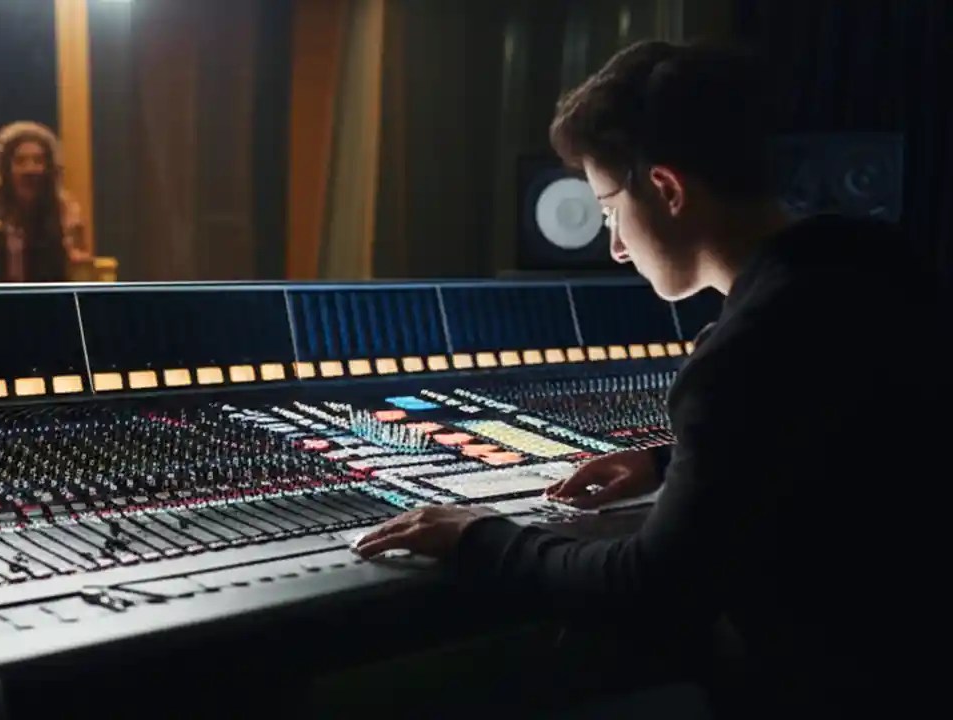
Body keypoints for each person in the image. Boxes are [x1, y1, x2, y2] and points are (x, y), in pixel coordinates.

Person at [355, 39, 944, 716]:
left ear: (665, 190)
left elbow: (649, 591)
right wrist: (668, 463)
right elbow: (839, 437)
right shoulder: (877, 265)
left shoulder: (743, 352)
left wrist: (478, 534)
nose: (613, 244)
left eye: (609, 208)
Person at [0, 121, 88, 282]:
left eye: (38, 161)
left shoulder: (61, 204)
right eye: (20, 161)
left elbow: (76, 246)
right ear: (6, 167)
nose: (30, 169)